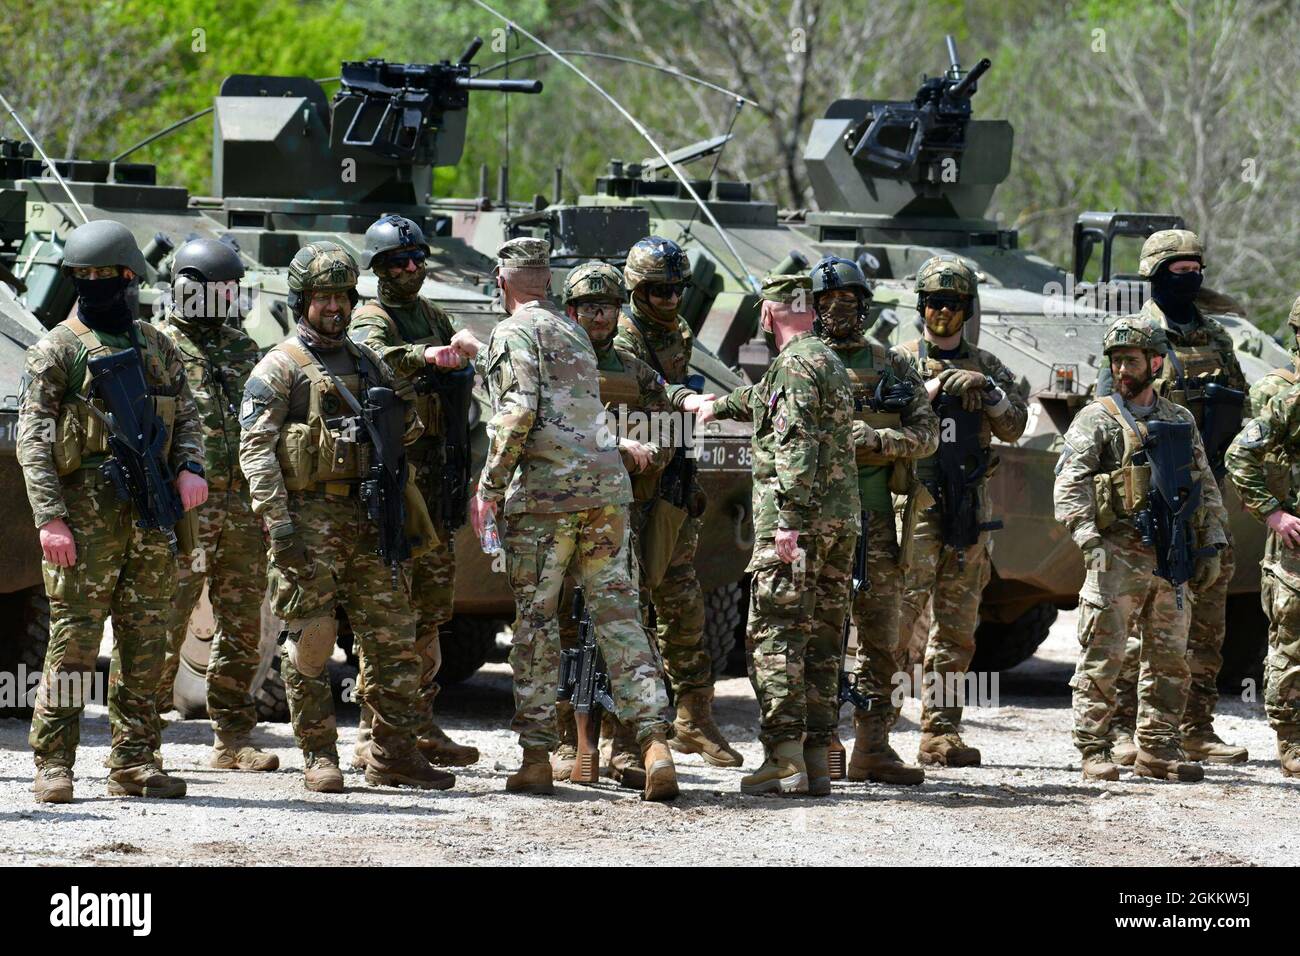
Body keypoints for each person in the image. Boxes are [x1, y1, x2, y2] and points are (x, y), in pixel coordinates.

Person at [470, 237, 677, 801]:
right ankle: (655, 742)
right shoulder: (572, 333)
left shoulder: (513, 332)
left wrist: (488, 487)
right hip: (606, 495)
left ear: (502, 281)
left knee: (536, 627)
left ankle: (536, 758)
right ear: (547, 282)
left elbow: (516, 415)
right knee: (621, 619)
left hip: (545, 502)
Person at [238, 241, 451, 793]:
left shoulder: (367, 360)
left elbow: (409, 427)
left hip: (369, 519)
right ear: (302, 300)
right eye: (323, 297)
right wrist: (278, 525)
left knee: (396, 642)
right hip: (307, 521)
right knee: (311, 640)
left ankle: (393, 753)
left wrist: (387, 424)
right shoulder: (279, 367)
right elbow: (256, 451)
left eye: (342, 297)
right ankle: (318, 756)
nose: (335, 307)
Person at [18, 219, 207, 802]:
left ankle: (134, 760)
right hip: (84, 519)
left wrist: (191, 467)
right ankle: (55, 763)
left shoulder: (156, 346)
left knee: (146, 641)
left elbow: (190, 416)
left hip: (150, 516)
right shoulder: (57, 350)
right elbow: (34, 440)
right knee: (74, 645)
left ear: (131, 277)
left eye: (107, 274)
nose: (97, 283)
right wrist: (51, 518)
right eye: (86, 275)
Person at [553, 260, 719, 785]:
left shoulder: (629, 363)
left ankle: (627, 746)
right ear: (571, 312)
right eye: (587, 308)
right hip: (562, 515)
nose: (598, 317)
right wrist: (612, 447)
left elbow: (662, 396)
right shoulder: (553, 361)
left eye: (606, 307)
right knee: (563, 627)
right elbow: (544, 425)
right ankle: (566, 740)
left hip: (619, 518)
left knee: (629, 627)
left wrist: (684, 405)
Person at [698, 269, 859, 796]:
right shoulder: (825, 360)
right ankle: (815, 758)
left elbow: (794, 443)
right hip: (838, 527)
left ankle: (782, 756)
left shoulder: (792, 366)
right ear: (810, 309)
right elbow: (763, 403)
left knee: (775, 638)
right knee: (822, 642)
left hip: (798, 528)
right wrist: (709, 405)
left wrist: (788, 519)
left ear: (768, 314)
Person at [1054, 315, 1226, 782]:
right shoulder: (1098, 417)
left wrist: (1212, 542)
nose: (1122, 369)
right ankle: (1095, 747)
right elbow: (1069, 484)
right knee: (1103, 656)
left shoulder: (1179, 418)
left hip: (1172, 556)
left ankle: (1158, 747)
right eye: (1116, 361)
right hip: (1116, 555)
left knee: (1170, 658)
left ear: (1155, 362)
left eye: (1131, 360)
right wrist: (1088, 539)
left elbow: (1204, 484)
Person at [1099, 229, 1247, 766]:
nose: (1188, 278)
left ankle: (1195, 726)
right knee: (1142, 618)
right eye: (1176, 269)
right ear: (1154, 272)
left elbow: (1241, 413)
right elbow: (1109, 416)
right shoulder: (1133, 337)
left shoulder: (1216, 337)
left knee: (1205, 613)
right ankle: (1121, 728)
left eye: (1195, 268)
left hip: (1205, 493)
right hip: (1150, 496)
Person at [348, 214, 478, 770]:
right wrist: (427, 356)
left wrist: (460, 347)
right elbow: (374, 361)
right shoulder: (368, 318)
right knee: (388, 612)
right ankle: (372, 731)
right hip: (395, 482)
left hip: (435, 476)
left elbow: (453, 358)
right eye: (399, 262)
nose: (411, 269)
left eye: (417, 259)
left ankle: (419, 722)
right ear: (378, 269)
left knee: (429, 608)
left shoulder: (430, 314)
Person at [807, 257, 938, 786]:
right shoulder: (802, 362)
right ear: (814, 307)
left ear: (865, 307)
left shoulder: (891, 366)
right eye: (830, 302)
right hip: (820, 523)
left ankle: (873, 745)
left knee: (883, 638)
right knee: (820, 634)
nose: (840, 312)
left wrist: (879, 441)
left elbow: (927, 434)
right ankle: (816, 744)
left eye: (850, 302)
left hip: (881, 522)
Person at [896, 255, 1027, 767]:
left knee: (956, 624)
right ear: (921, 307)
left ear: (967, 308)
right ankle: (876, 728)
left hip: (969, 508)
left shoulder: (987, 364)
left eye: (952, 303)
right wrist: (931, 391)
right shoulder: (901, 361)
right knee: (896, 620)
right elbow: (886, 421)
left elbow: (1013, 425)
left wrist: (989, 393)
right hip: (917, 509)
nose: (942, 312)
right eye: (933, 303)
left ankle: (941, 732)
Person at [614, 236, 740, 764]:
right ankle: (625, 732)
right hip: (631, 490)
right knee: (630, 612)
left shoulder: (678, 331)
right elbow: (637, 409)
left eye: (676, 291)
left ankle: (694, 717)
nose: (669, 300)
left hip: (672, 486)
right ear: (635, 290)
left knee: (684, 606)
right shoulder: (621, 341)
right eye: (658, 291)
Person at [152, 238, 275, 772]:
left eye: (230, 290)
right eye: (214, 290)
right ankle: (136, 740)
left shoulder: (243, 348)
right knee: (158, 623)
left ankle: (234, 738)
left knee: (242, 623)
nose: (223, 300)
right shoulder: (154, 346)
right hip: (181, 514)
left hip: (241, 510)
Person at [1225, 354, 1300, 779]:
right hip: (1296, 545)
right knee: (1292, 644)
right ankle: (1292, 740)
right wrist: (1272, 512)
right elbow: (1240, 456)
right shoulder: (1291, 401)